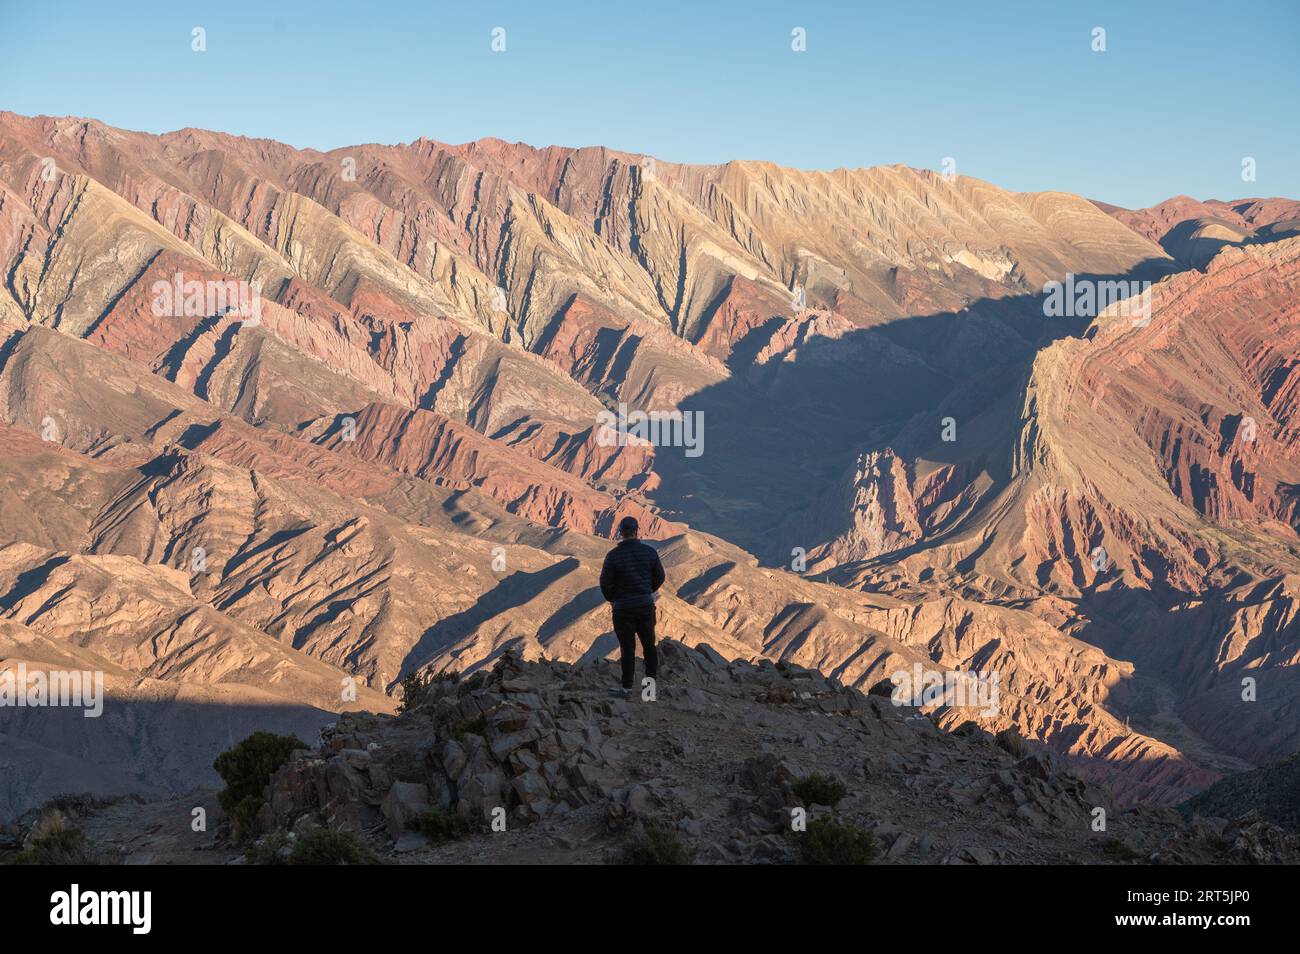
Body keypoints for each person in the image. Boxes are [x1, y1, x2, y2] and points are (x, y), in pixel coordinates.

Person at [598, 516, 665, 697]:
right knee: (649, 646)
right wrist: (646, 591)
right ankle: (649, 692)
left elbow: (605, 583)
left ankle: (627, 688)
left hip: (622, 609)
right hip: (645, 606)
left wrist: (613, 599)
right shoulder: (650, 552)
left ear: (620, 532)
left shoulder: (613, 556)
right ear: (637, 531)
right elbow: (660, 576)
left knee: (627, 648)